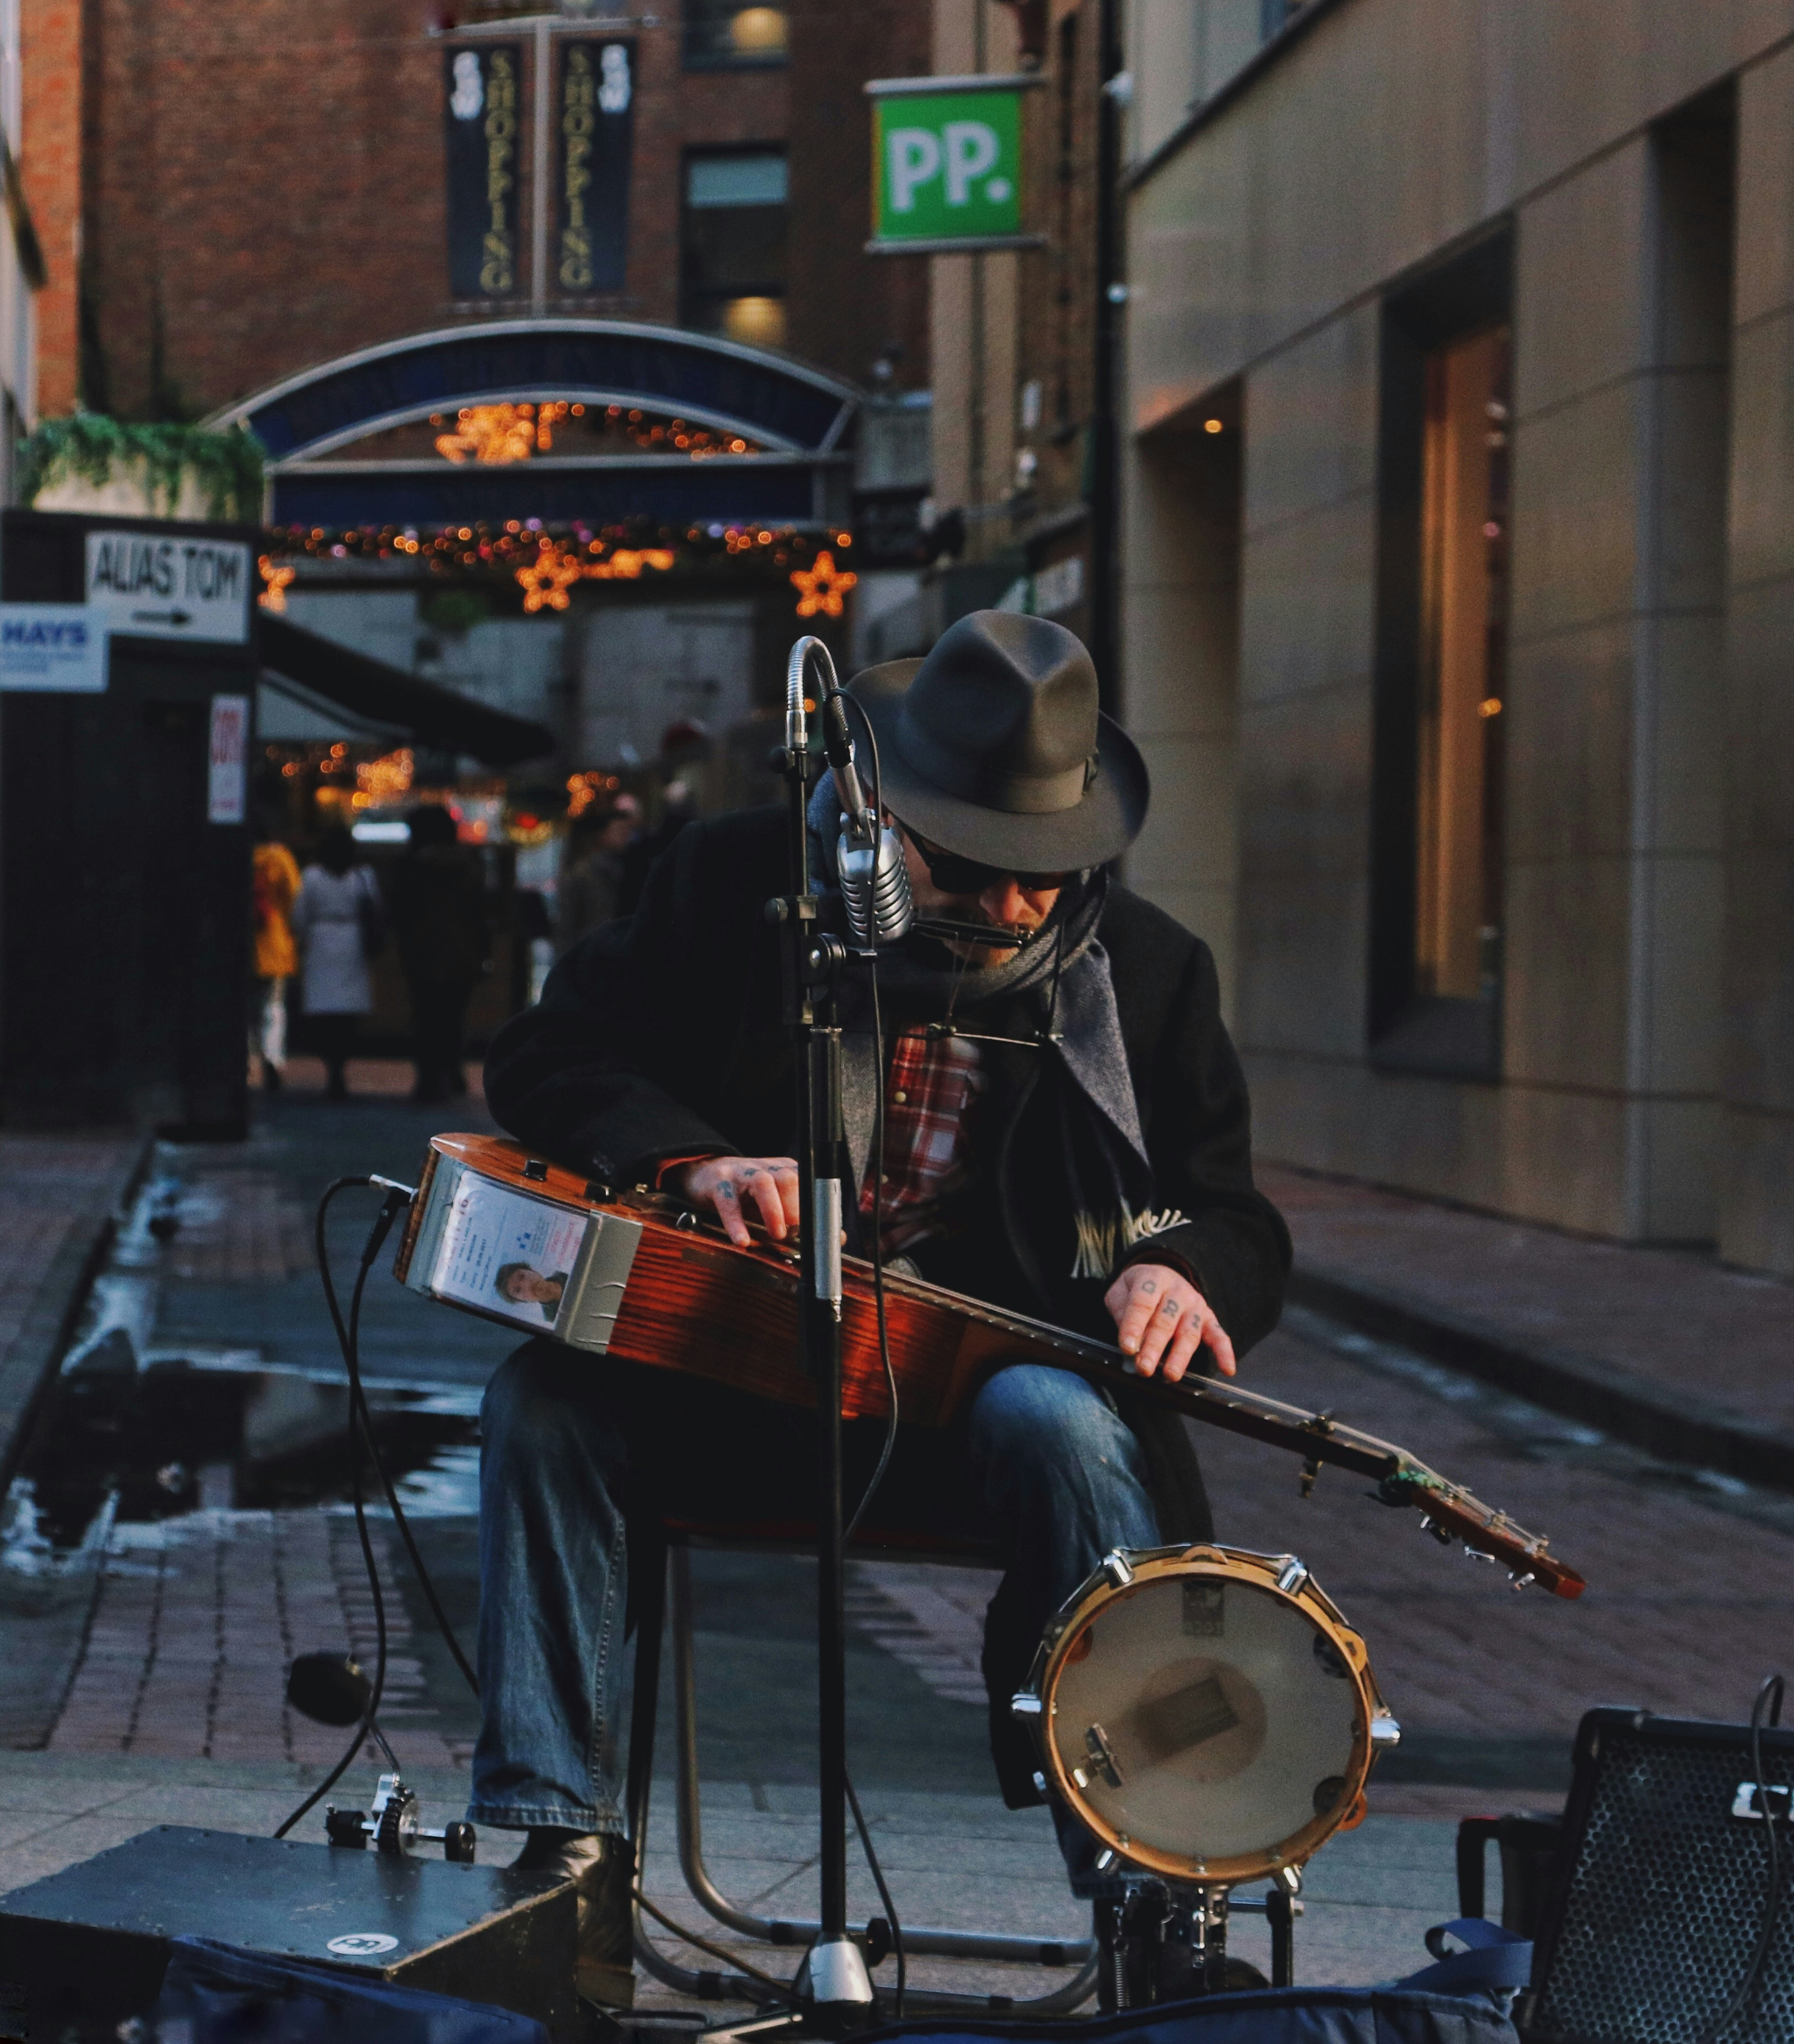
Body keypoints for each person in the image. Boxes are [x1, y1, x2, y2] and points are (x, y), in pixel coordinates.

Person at [468, 611, 1290, 2005]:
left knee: (1057, 1414)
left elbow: (1231, 1219)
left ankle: (1154, 1898)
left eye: (1050, 871)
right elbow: (550, 1051)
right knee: (544, 1400)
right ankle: (567, 1855)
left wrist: (1178, 1266)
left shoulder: (1147, 975)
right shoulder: (729, 885)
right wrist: (684, 1153)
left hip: (973, 1421)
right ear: (886, 820)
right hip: (734, 1381)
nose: (1019, 907)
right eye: (978, 870)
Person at [387, 805, 494, 1104]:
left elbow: (399, 910)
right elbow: (480, 914)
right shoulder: (470, 865)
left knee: (425, 1015)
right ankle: (452, 1071)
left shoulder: (411, 867)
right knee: (453, 1016)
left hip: (422, 952)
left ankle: (428, 1077)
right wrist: (484, 953)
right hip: (462, 952)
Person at [292, 826, 384, 1099]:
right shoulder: (362, 876)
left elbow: (299, 915)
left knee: (324, 1012)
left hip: (321, 942)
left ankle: (331, 1067)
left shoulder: (311, 876)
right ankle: (340, 1066)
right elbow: (377, 910)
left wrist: (302, 940)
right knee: (347, 1014)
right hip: (351, 942)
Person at [550, 793, 640, 955]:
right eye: (619, 829)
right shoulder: (583, 874)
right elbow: (568, 926)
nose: (626, 834)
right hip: (591, 954)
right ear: (603, 834)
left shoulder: (626, 866)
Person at [250, 832, 302, 1094]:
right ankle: (272, 1059)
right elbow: (296, 899)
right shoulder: (280, 858)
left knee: (244, 1010)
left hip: (245, 945)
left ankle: (248, 1063)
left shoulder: (242, 853)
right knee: (273, 1007)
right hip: (274, 942)